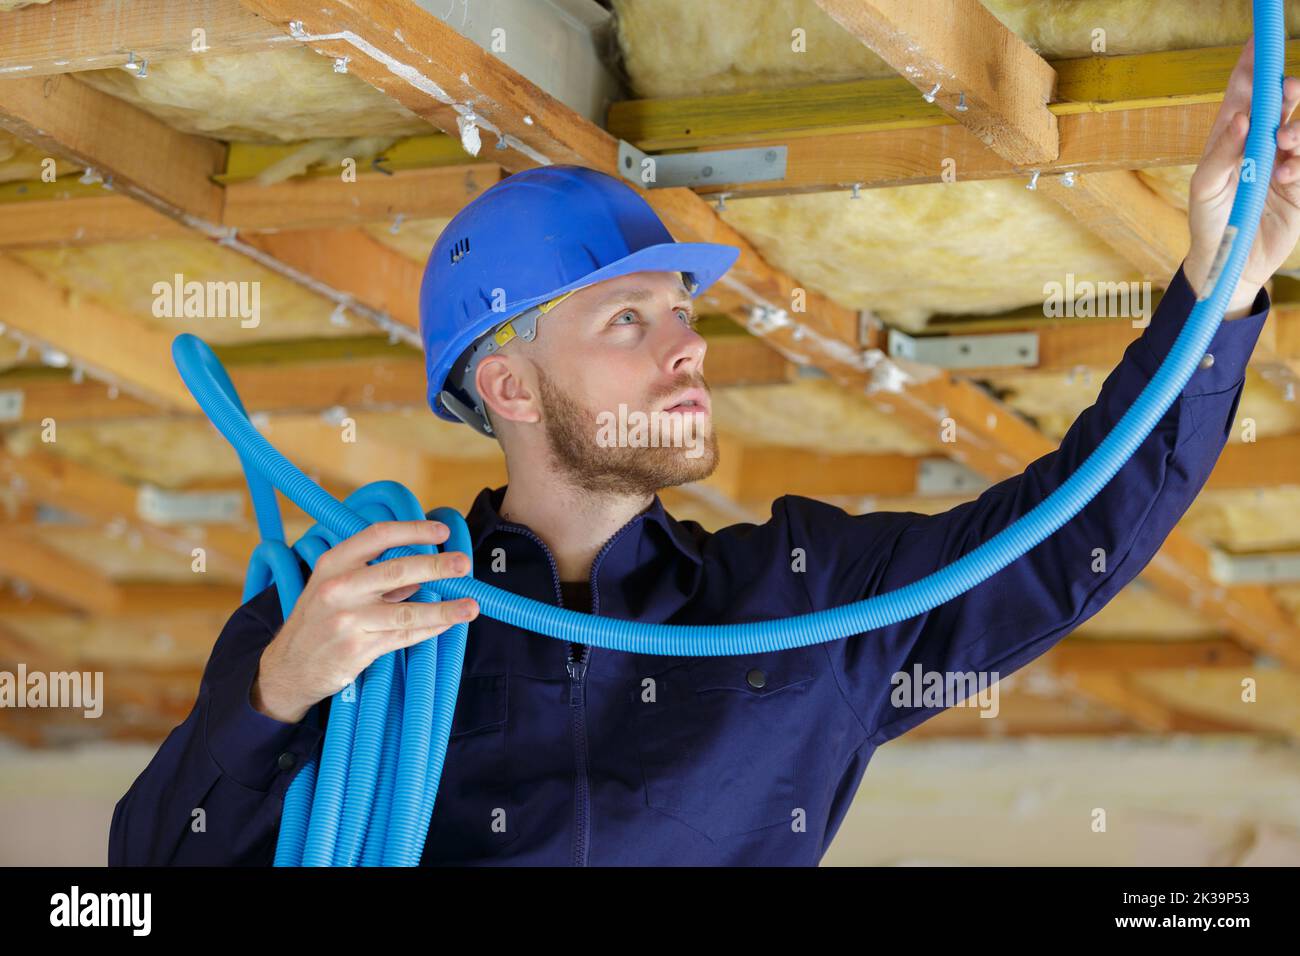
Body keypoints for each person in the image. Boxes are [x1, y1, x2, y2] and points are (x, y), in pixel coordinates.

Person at [110, 39, 1299, 865]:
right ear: (508, 382)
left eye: (682, 312)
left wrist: (1219, 290)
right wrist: (273, 695)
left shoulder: (799, 605)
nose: (687, 348)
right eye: (629, 318)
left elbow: (1074, 529)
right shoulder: (356, 621)